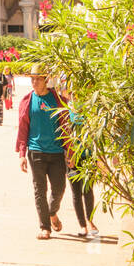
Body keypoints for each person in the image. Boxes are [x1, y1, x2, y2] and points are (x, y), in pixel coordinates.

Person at [15, 66, 71, 239]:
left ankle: (52, 212)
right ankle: (45, 227)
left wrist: (70, 151)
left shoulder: (58, 101)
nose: (34, 82)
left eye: (38, 79)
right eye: (32, 79)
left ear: (46, 80)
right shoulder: (27, 101)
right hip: (36, 151)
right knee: (39, 190)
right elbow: (23, 128)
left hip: (56, 151)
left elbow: (66, 128)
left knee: (59, 188)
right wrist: (22, 154)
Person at [58, 88, 98, 239]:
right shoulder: (65, 111)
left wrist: (98, 157)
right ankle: (82, 225)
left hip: (88, 156)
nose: (75, 95)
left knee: (88, 190)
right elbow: (63, 135)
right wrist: (69, 154)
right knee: (76, 192)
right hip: (71, 157)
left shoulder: (91, 110)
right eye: (72, 92)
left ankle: (90, 221)